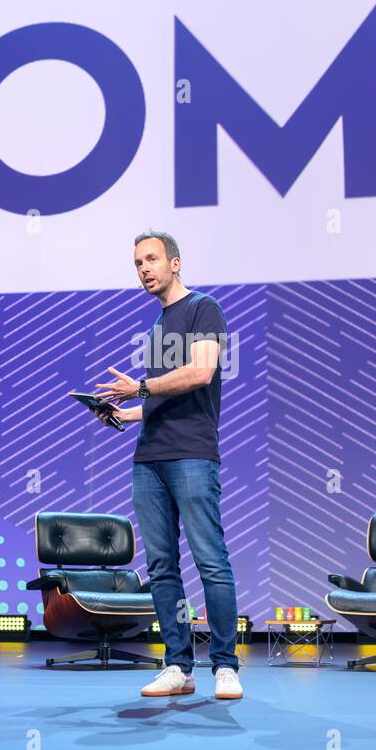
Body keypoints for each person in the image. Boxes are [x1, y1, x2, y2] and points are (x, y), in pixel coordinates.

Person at [90, 230, 242, 700]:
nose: (144, 269)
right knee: (161, 568)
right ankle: (179, 665)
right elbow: (162, 397)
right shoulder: (157, 326)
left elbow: (200, 373)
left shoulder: (203, 308)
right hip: (148, 458)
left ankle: (225, 665)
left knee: (210, 561)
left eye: (152, 259)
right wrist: (125, 411)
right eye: (138, 263)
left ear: (175, 263)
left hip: (193, 454)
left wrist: (139, 388)